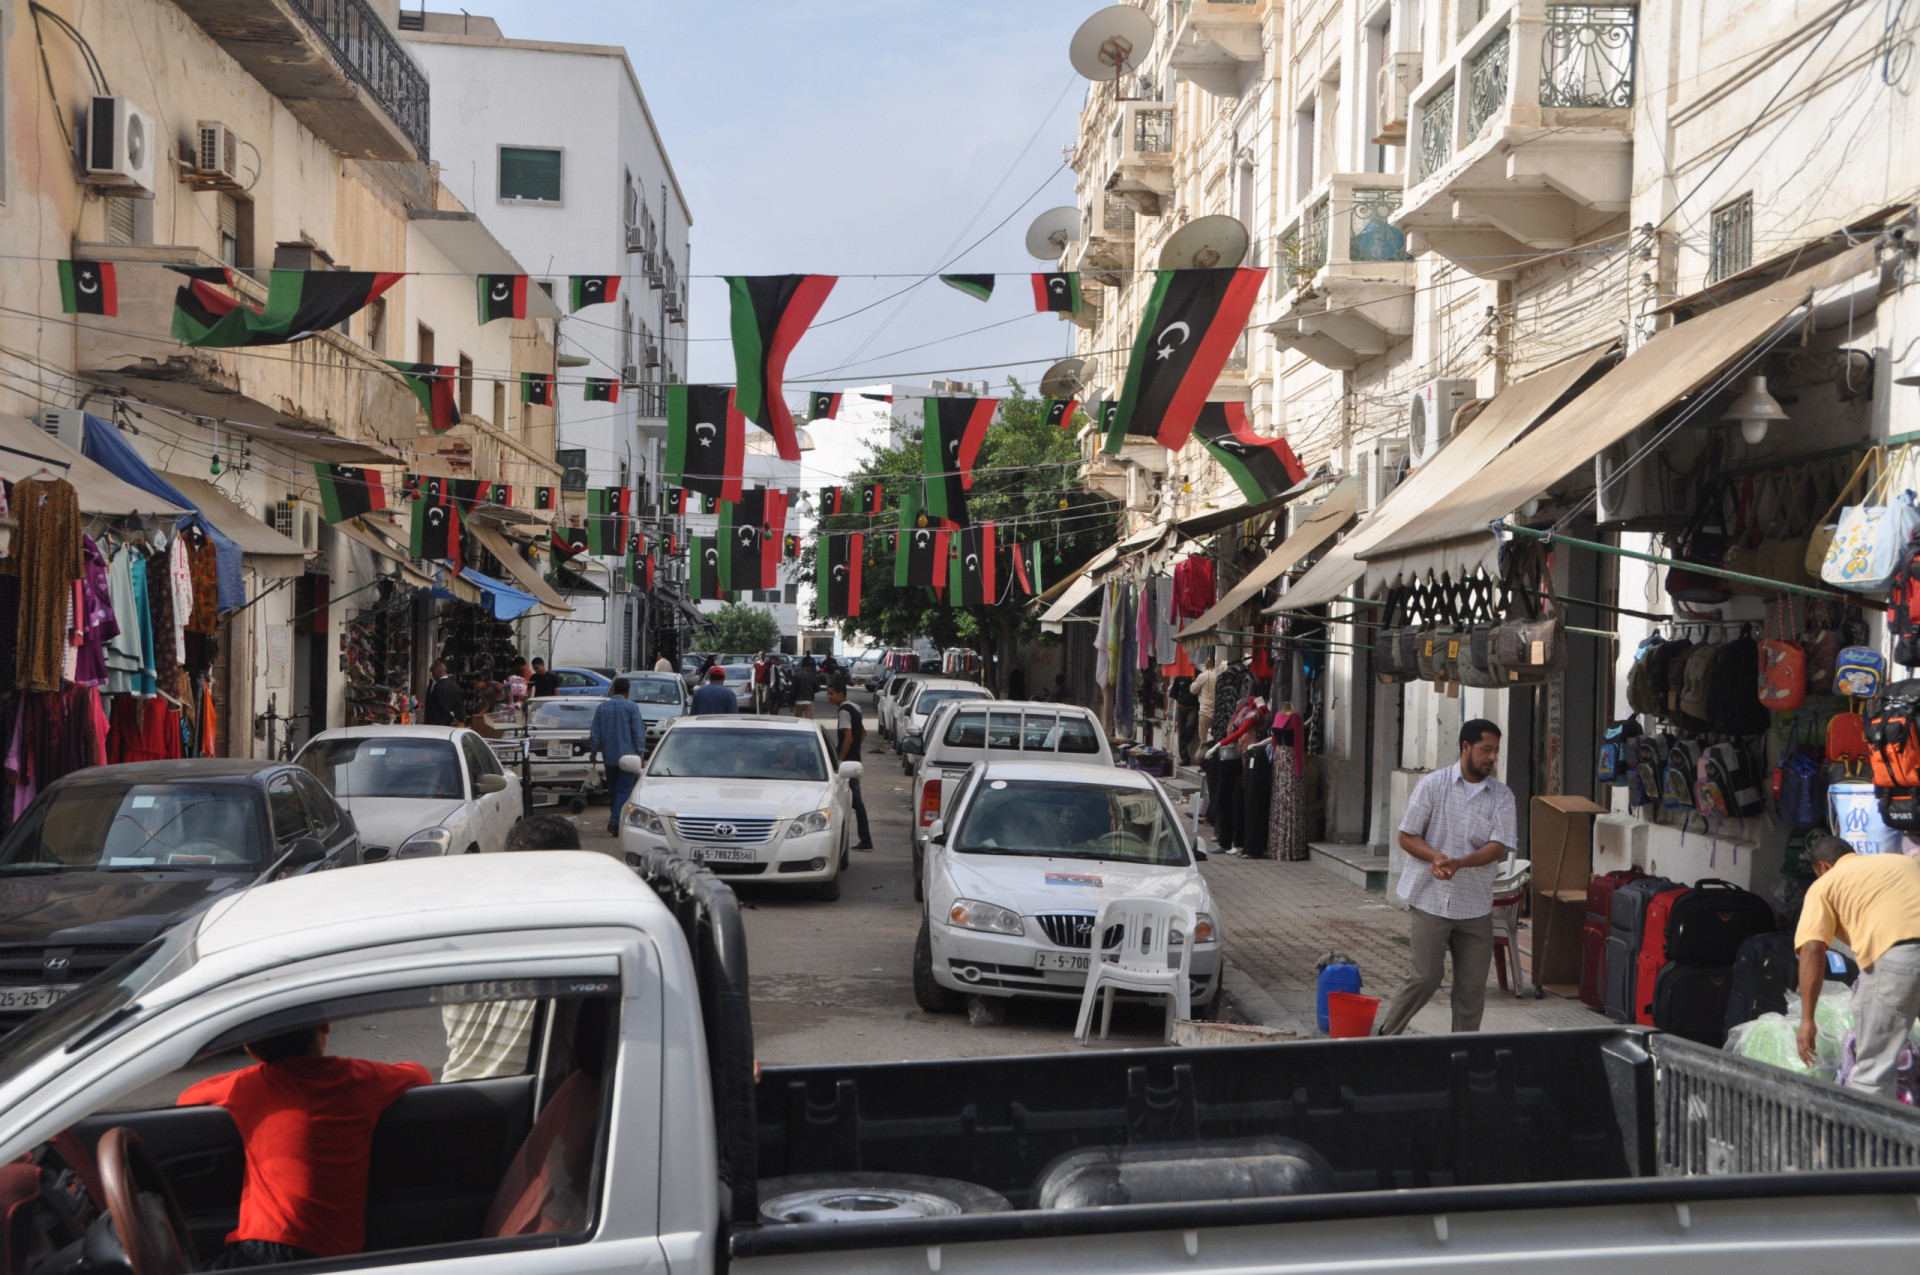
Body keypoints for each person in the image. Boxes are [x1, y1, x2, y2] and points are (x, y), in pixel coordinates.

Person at [176, 1025, 429, 1266]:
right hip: (338, 1252)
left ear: (251, 1051)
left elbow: (188, 1098)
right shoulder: (362, 1078)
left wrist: (244, 1073)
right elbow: (419, 1073)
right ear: (325, 1028)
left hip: (271, 1245)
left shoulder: (248, 1086)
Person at [1376, 719, 1517, 1037]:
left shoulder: (1502, 797)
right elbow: (1407, 836)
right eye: (1486, 749)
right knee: (1425, 976)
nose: (1492, 757)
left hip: (1475, 903)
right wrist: (1436, 857)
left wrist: (1461, 863)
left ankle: (1462, 1053)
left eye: (1496, 750)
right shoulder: (1433, 785)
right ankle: (1385, 1038)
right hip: (1431, 898)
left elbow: (1497, 847)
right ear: (1466, 747)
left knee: (1471, 989)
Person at [1795, 834, 1920, 1096]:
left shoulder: (1825, 884)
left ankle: (1860, 1137)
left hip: (1897, 955)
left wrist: (1807, 1019)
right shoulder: (1900, 863)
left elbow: (1812, 949)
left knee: (1871, 1076)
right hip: (1904, 955)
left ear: (1823, 867)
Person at [588, 678, 647, 837]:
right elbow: (638, 733)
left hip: (610, 757)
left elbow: (595, 733)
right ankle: (615, 821)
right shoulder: (632, 707)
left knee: (614, 790)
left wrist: (593, 753)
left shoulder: (602, 708)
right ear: (627, 691)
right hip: (629, 758)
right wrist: (641, 753)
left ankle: (616, 821)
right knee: (623, 789)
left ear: (614, 690)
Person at [826, 680, 873, 850]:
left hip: (847, 764)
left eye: (831, 693)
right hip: (855, 759)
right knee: (854, 801)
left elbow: (849, 737)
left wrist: (840, 760)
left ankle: (865, 839)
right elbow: (863, 733)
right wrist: (855, 751)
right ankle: (865, 839)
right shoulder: (855, 707)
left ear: (841, 694)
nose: (828, 697)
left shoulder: (844, 710)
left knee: (855, 802)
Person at [1190, 658, 1220, 763]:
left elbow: (1193, 690)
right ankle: (1214, 760)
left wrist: (1194, 681)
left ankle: (1204, 762)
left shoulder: (1203, 676)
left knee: (1203, 740)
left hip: (1205, 711)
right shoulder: (1217, 675)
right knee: (1215, 739)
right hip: (1216, 712)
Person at [422, 660, 461, 727]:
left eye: (434, 673)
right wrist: (453, 718)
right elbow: (458, 704)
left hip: (438, 722)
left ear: (440, 672)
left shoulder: (437, 686)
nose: (433, 676)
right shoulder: (456, 685)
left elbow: (441, 704)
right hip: (451, 722)